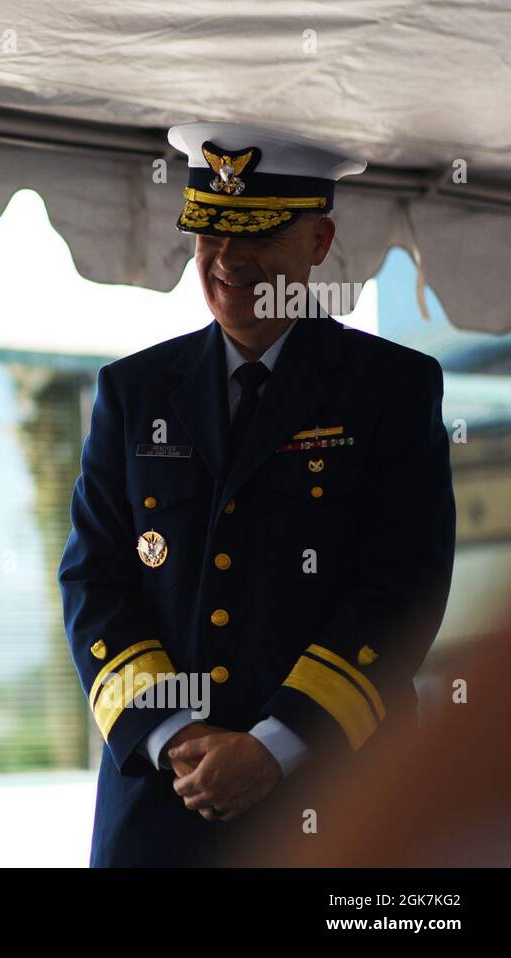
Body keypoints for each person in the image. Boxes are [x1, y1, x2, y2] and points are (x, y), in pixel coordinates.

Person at [58, 122, 456, 866]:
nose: (228, 259)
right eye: (210, 232)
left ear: (318, 242)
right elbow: (95, 579)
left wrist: (275, 747)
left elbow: (403, 589)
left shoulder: (390, 391)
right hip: (160, 810)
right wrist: (172, 733)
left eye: (258, 236)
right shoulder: (133, 390)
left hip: (332, 803)